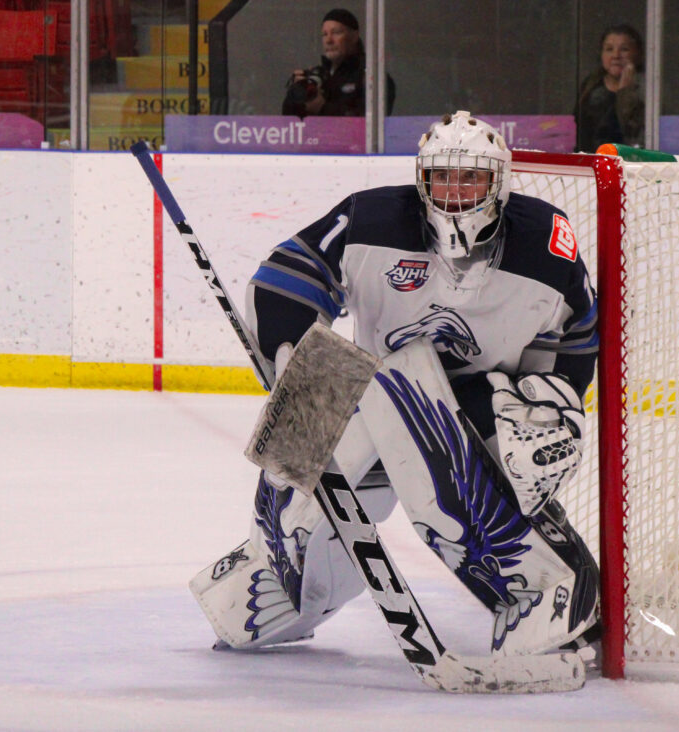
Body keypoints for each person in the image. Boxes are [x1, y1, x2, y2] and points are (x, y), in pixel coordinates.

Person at [191, 111, 601, 660]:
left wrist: (555, 398)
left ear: (498, 184)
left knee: (479, 477)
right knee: (300, 472)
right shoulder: (373, 219)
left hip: (481, 406)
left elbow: (578, 331)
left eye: (471, 179)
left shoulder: (544, 244)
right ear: (421, 179)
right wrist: (293, 354)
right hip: (378, 392)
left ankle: (546, 587)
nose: (455, 193)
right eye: (442, 178)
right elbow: (287, 277)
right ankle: (282, 586)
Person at [281, 8, 395, 117]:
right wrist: (297, 92)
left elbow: (369, 125)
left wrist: (323, 107)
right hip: (313, 137)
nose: (329, 40)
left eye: (336, 32)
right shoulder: (320, 75)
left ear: (354, 36)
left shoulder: (370, 77)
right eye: (324, 34)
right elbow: (287, 122)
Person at [574, 23, 645, 153]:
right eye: (609, 49)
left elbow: (635, 134)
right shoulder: (591, 86)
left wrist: (625, 93)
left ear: (638, 53)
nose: (616, 55)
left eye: (624, 49)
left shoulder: (648, 88)